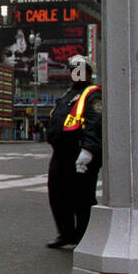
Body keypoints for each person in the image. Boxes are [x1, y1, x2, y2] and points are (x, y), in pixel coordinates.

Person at [45, 58, 102, 248]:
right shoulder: (69, 94)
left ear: (88, 72)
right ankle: (66, 233)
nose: (76, 73)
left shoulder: (93, 94)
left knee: (82, 197)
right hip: (61, 152)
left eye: (80, 69)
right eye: (73, 69)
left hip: (80, 152)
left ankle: (84, 236)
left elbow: (95, 122)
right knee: (57, 193)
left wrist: (88, 150)